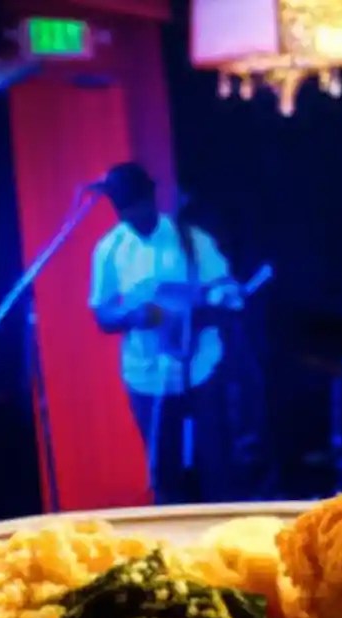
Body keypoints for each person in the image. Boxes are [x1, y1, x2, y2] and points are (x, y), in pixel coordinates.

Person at [88, 161, 243, 505]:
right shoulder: (109, 250)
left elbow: (227, 292)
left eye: (139, 208)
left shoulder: (192, 240)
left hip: (199, 370)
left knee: (218, 471)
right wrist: (131, 316)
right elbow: (102, 314)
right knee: (166, 478)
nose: (133, 218)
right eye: (125, 212)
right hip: (147, 377)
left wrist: (204, 303)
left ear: (151, 196)